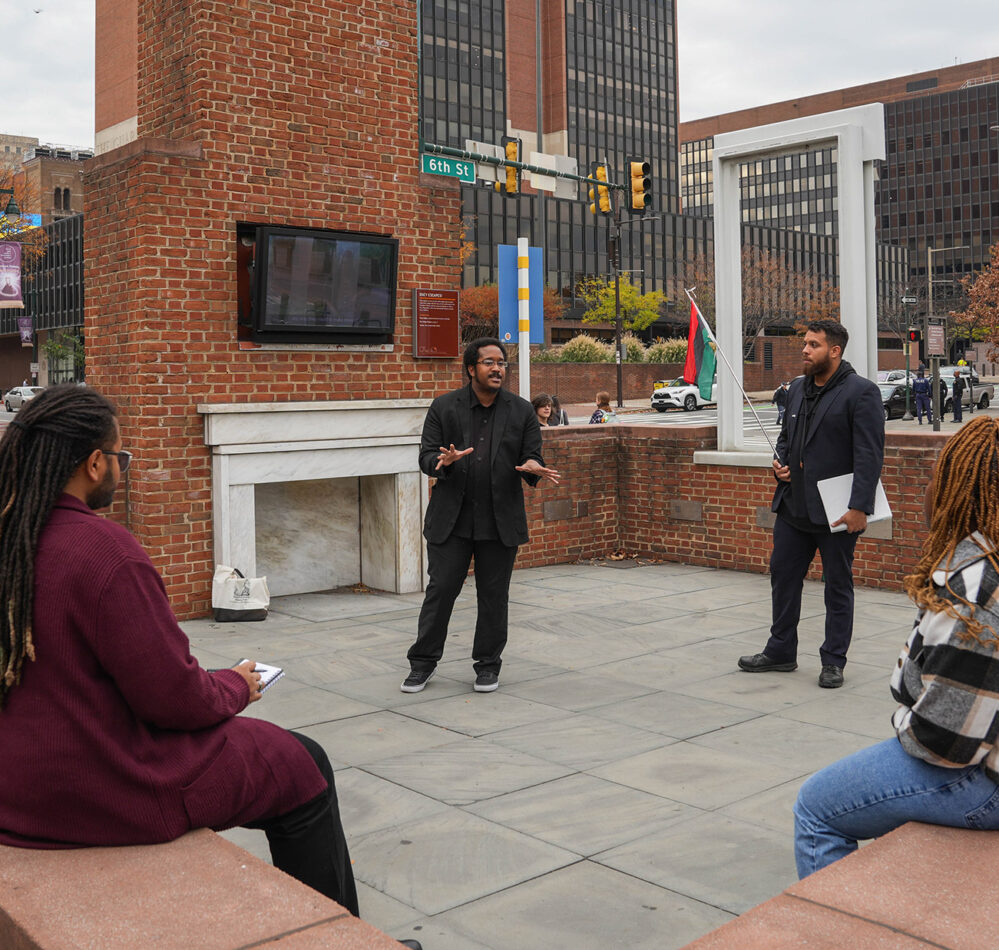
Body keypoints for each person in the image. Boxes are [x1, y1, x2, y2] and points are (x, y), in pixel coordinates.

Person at [0, 385, 358, 916]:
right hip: (97, 787)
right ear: (95, 464)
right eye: (121, 457)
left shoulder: (13, 536)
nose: (123, 469)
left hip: (14, 787)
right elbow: (172, 700)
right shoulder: (104, 552)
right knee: (301, 763)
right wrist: (236, 683)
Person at [793, 417, 999, 878]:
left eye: (934, 478)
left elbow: (942, 743)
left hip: (982, 780)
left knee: (816, 808)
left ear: (960, 489)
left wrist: (903, 720)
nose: (927, 491)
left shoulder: (975, 589)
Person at [401, 338, 560, 694]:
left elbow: (532, 458)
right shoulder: (444, 407)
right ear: (471, 368)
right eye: (489, 362)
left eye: (501, 362)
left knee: (493, 597)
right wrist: (442, 461)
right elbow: (426, 455)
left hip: (499, 520)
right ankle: (422, 663)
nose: (497, 368)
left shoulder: (521, 411)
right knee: (440, 592)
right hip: (451, 521)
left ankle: (487, 665)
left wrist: (534, 467)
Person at [738, 319, 885, 689]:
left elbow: (869, 456)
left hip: (836, 512)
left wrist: (859, 508)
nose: (805, 350)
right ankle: (781, 651)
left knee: (838, 586)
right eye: (805, 343)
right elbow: (786, 438)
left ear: (834, 351)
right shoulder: (798, 388)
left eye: (813, 345)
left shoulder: (861, 393)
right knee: (783, 578)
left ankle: (833, 660)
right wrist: (780, 466)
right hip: (793, 507)